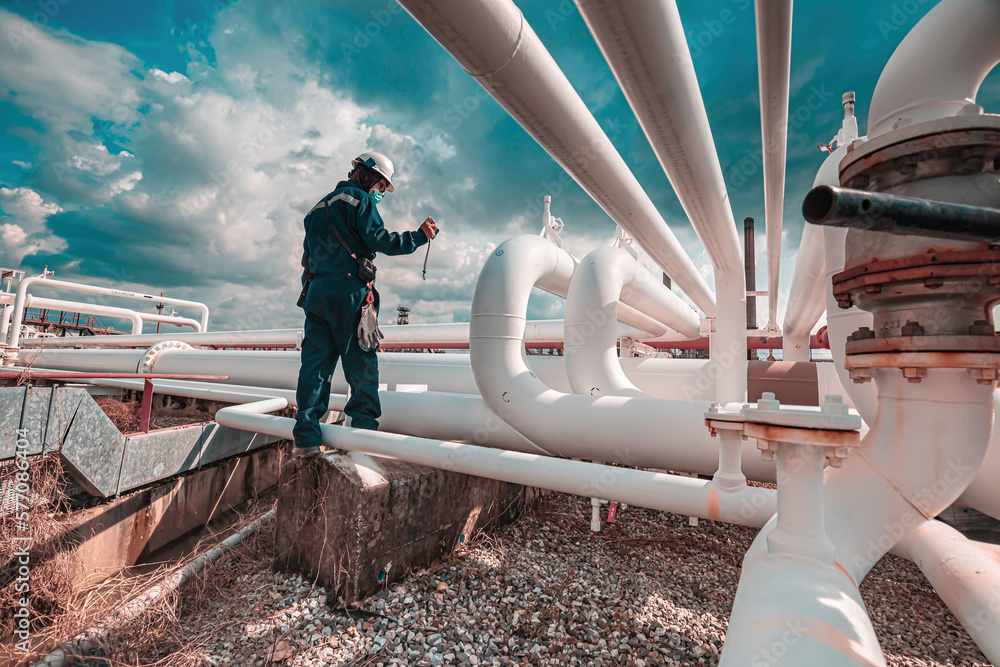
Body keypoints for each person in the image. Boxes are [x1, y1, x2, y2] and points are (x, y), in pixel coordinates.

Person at [293, 151, 437, 457]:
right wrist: (419, 236)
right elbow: (380, 240)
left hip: (316, 294)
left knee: (315, 368)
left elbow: (307, 259)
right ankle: (362, 438)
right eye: (381, 185)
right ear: (368, 174)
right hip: (350, 294)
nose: (380, 192)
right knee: (361, 365)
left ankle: (305, 440)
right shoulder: (360, 201)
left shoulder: (315, 210)